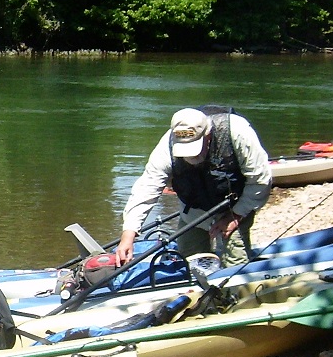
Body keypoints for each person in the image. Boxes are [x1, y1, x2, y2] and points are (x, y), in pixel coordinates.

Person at [116, 107, 272, 269]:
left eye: (195, 148)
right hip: (194, 213)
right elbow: (147, 187)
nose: (191, 156)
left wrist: (237, 215)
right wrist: (129, 233)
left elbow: (260, 180)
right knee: (190, 265)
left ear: (208, 136)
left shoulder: (238, 132)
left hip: (235, 207)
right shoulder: (167, 145)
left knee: (234, 265)